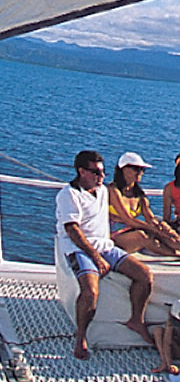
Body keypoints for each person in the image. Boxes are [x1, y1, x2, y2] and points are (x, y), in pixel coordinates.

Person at [55, 150, 154, 360]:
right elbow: (73, 231)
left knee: (144, 275)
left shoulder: (103, 191)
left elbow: (120, 211)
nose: (101, 177)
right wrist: (96, 257)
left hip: (105, 246)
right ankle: (80, 336)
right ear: (81, 171)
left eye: (102, 172)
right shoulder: (68, 195)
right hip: (79, 248)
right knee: (90, 291)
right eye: (95, 172)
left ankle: (137, 320)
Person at [109, 152, 180, 268]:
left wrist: (160, 226)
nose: (140, 173)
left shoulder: (139, 194)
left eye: (142, 170)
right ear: (124, 169)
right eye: (136, 169)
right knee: (143, 236)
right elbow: (128, 219)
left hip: (131, 230)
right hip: (115, 236)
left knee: (166, 231)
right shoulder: (113, 190)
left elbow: (149, 216)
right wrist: (153, 229)